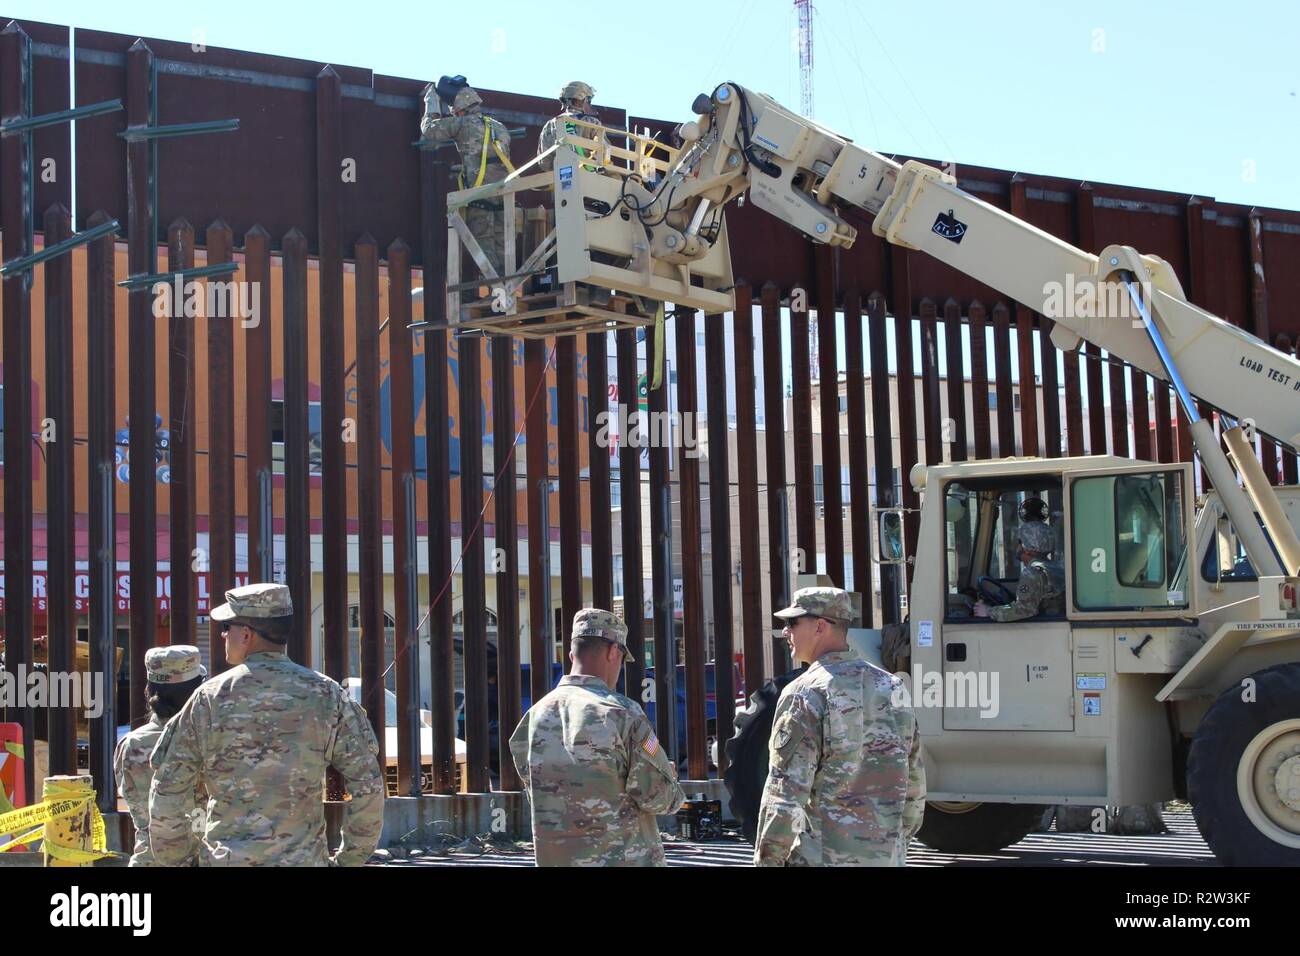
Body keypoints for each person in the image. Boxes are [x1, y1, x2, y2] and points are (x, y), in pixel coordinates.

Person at [148, 583, 384, 866]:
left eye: (228, 627)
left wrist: (181, 860)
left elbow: (168, 787)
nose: (223, 634)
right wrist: (349, 859)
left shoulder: (209, 698)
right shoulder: (326, 693)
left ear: (246, 634)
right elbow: (368, 784)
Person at [755, 587, 926, 866]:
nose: (785, 632)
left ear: (820, 626)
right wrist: (892, 846)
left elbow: (785, 794)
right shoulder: (892, 687)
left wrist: (768, 861)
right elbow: (915, 786)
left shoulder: (805, 694)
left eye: (792, 623)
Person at [509, 608, 684, 866]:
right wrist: (669, 776)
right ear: (614, 651)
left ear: (571, 654)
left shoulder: (534, 717)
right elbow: (658, 798)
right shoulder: (622, 713)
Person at [113, 645, 207, 866]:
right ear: (197, 690)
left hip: (150, 859)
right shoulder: (210, 740)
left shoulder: (131, 745)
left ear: (148, 690)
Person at [420, 84, 514, 277]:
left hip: (480, 198)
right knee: (504, 249)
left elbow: (430, 131)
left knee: (484, 248)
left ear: (460, 108)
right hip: (504, 198)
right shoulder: (499, 127)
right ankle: (506, 291)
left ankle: (497, 294)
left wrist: (431, 105)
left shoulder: (463, 124)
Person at [974, 521, 1065, 622]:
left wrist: (988, 611)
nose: (1016, 547)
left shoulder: (1032, 573)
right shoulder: (1056, 568)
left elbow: (1024, 610)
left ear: (1026, 548)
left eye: (1019, 542)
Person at [537, 80, 605, 172]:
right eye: (588, 100)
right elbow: (604, 153)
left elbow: (543, 162)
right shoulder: (592, 122)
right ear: (581, 100)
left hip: (558, 178)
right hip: (587, 175)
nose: (589, 104)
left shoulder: (549, 125)